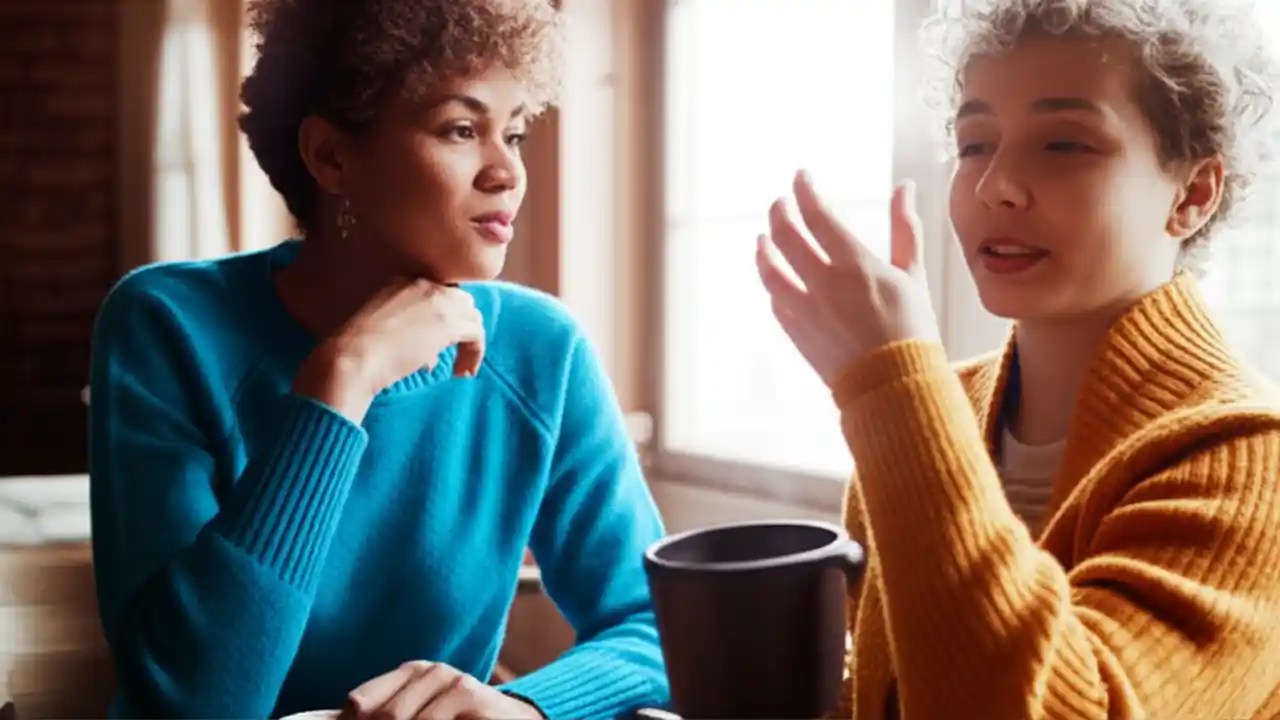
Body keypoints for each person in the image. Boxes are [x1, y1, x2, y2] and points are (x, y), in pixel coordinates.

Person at [88, 1, 669, 718]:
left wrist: (526, 708)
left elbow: (657, 628)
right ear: (331, 156)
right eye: (461, 130)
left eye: (513, 132)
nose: (507, 172)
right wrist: (340, 384)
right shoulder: (167, 324)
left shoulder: (542, 349)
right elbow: (189, 704)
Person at [755, 0, 1280, 717]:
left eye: (1063, 145)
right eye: (975, 144)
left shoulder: (1250, 457)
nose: (994, 185)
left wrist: (892, 387)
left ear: (1192, 194)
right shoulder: (931, 411)